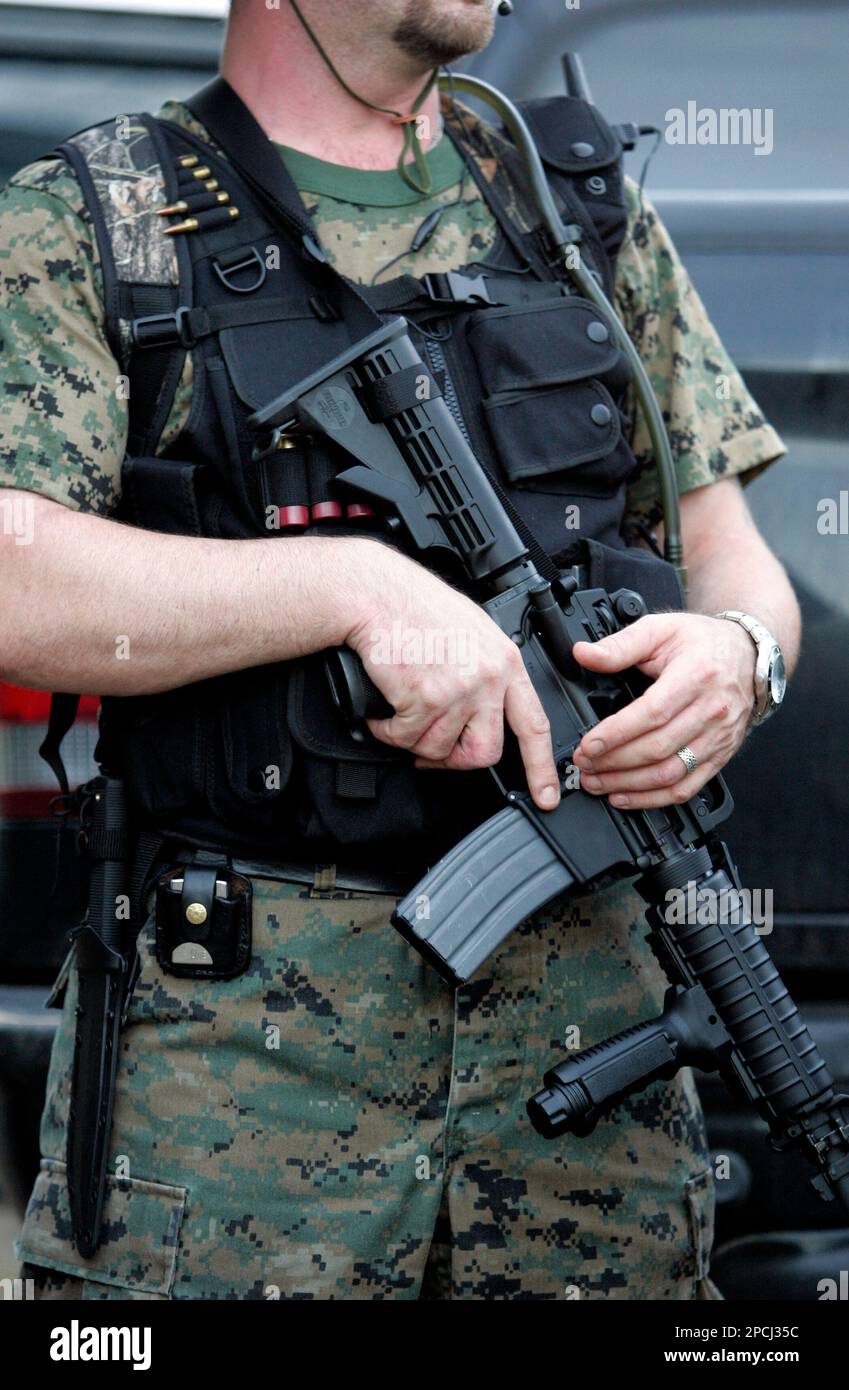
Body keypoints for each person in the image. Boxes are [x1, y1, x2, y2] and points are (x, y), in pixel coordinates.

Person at [1, 0, 799, 1300]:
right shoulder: (104, 216)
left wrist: (739, 651)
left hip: (585, 1129)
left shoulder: (571, 206)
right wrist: (345, 588)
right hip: (240, 1123)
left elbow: (733, 552)